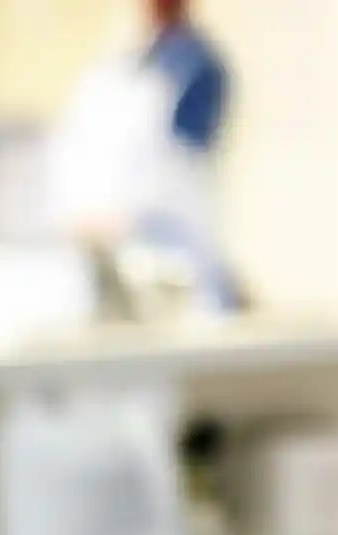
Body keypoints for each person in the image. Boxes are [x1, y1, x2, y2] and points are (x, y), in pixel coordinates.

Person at [50, 0, 241, 319]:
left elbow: (179, 163)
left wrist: (124, 216)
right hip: (118, 251)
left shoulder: (198, 69)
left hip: (173, 255)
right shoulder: (122, 68)